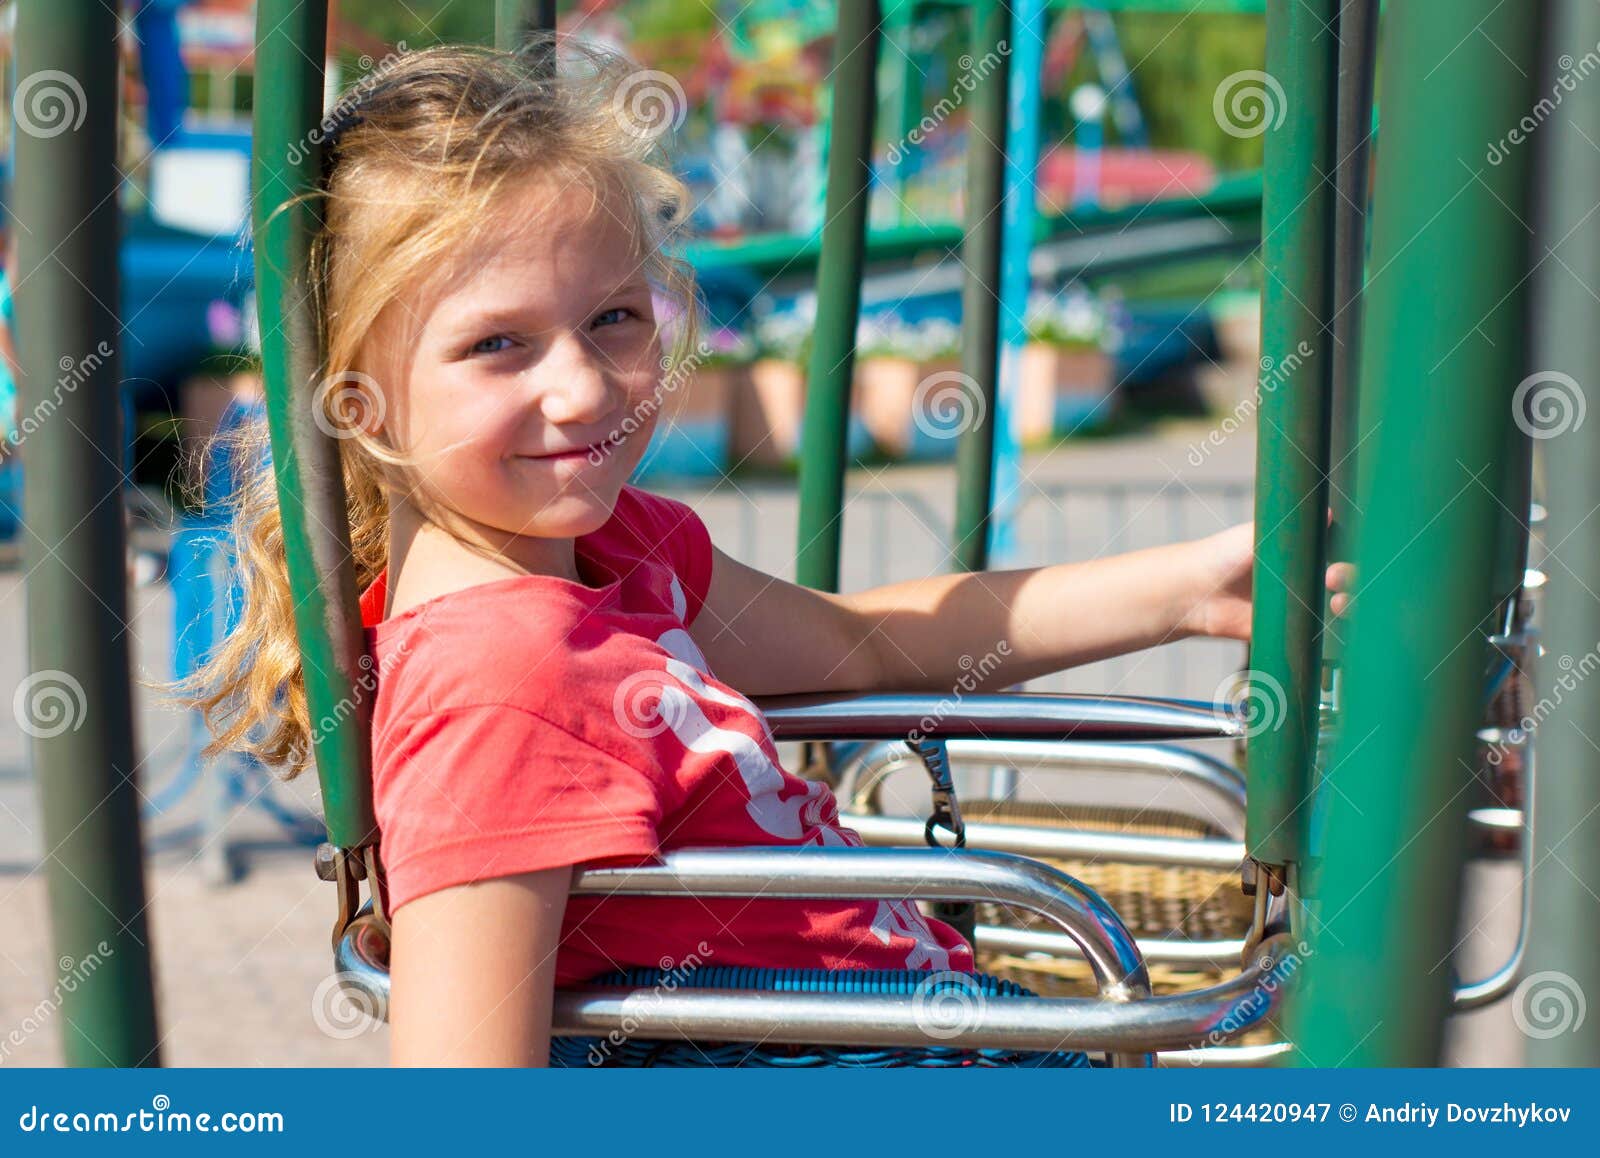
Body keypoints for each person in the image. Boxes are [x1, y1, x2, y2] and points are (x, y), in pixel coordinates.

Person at [184, 40, 1351, 1067]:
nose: (582, 385)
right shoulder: (503, 685)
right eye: (497, 345)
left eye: (615, 319)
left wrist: (1193, 589)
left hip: (902, 1021)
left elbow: (861, 643)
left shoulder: (616, 551)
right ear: (365, 408)